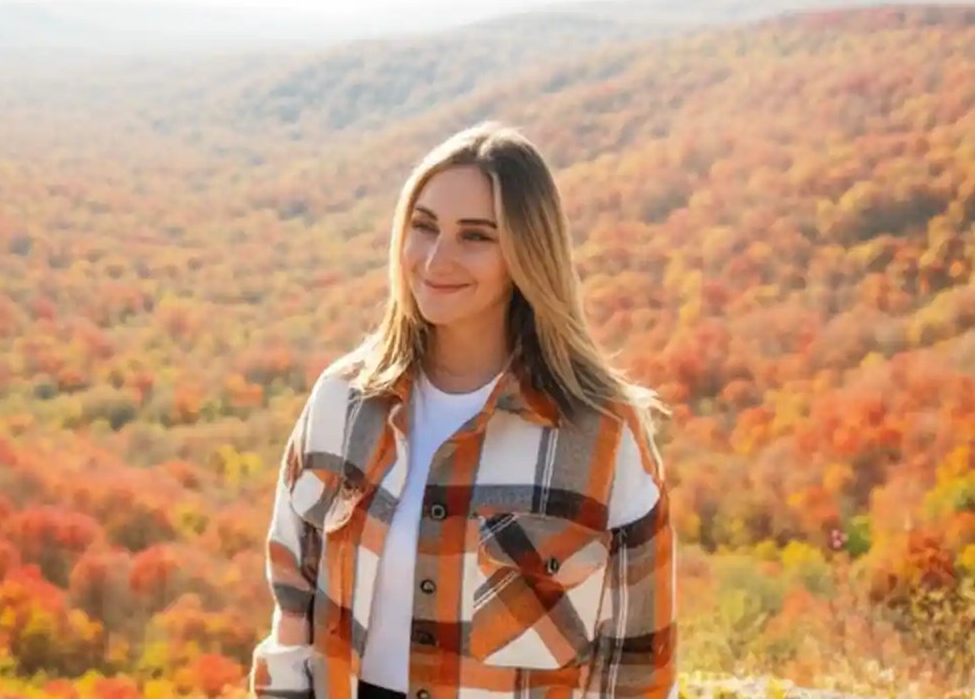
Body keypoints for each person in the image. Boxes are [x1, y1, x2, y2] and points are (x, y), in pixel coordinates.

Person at [249, 121, 677, 698]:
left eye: (475, 237)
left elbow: (637, 670)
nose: (436, 259)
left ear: (526, 255)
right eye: (424, 226)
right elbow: (292, 609)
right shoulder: (342, 403)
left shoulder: (600, 436)